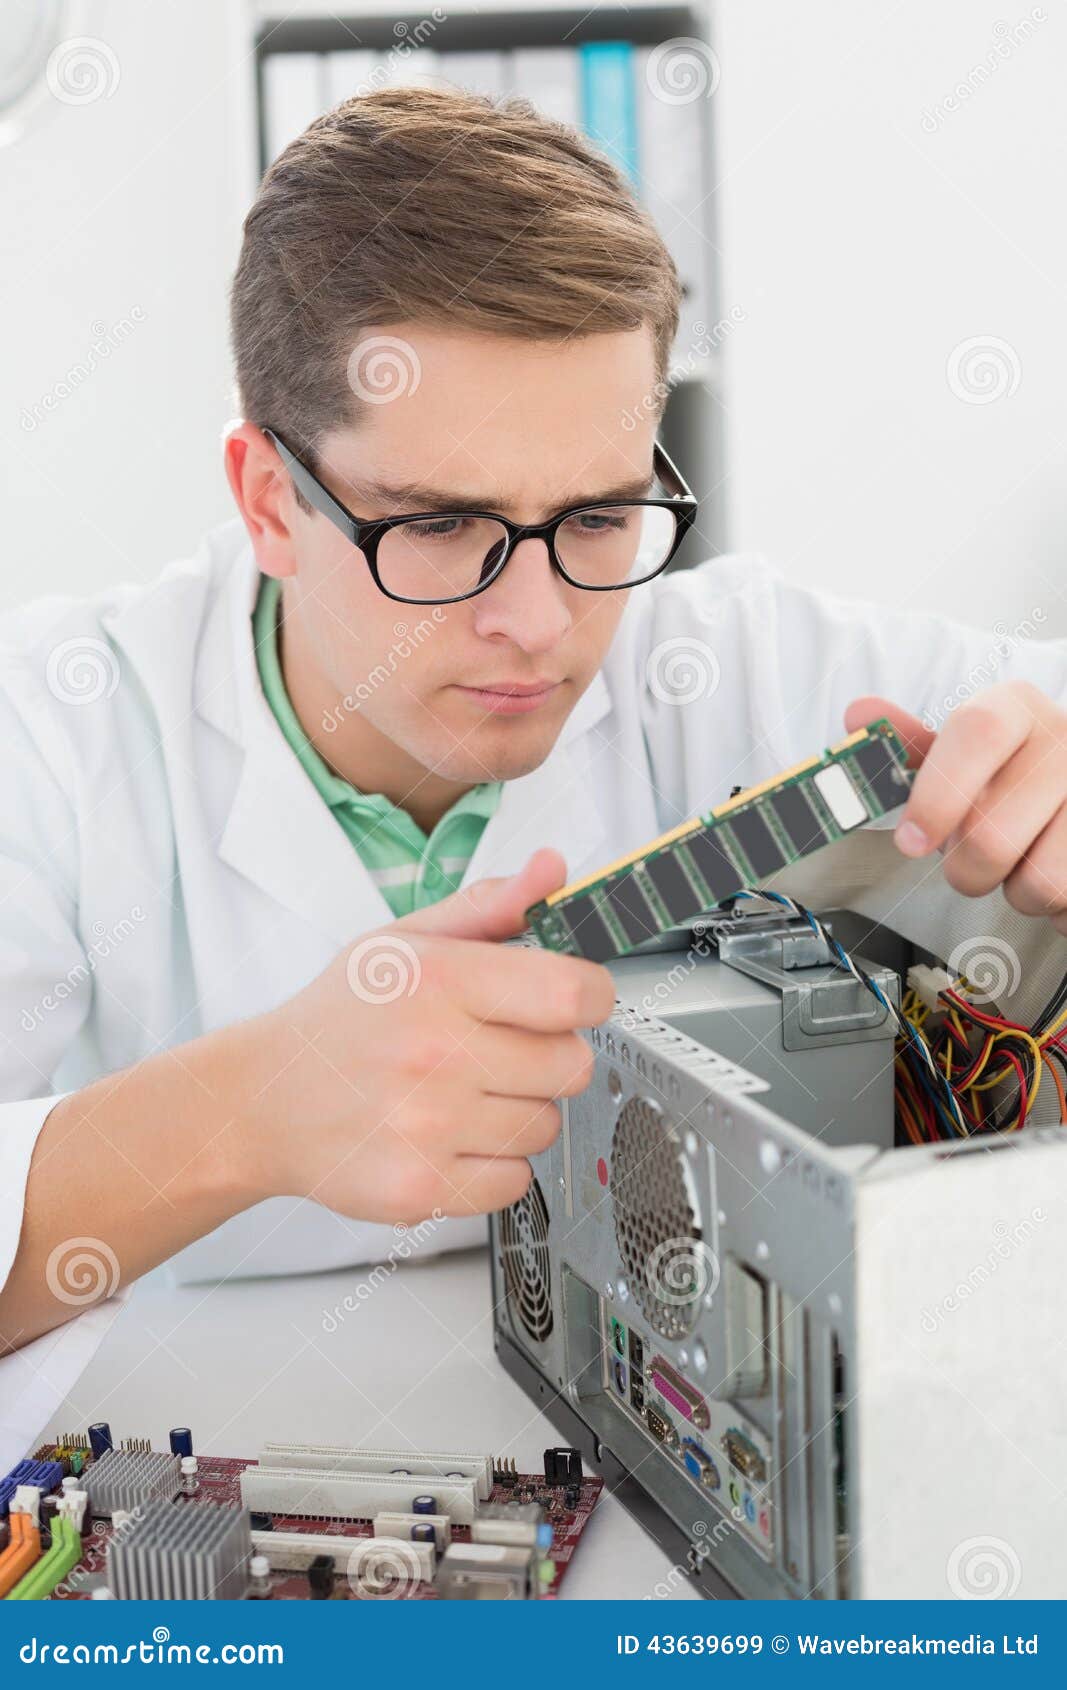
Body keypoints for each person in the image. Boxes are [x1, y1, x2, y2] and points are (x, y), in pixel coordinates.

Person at [2, 87, 1066, 1466]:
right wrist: (249, 1107)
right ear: (268, 498)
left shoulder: (730, 655)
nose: (540, 622)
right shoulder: (57, 729)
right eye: (443, 526)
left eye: (598, 515)